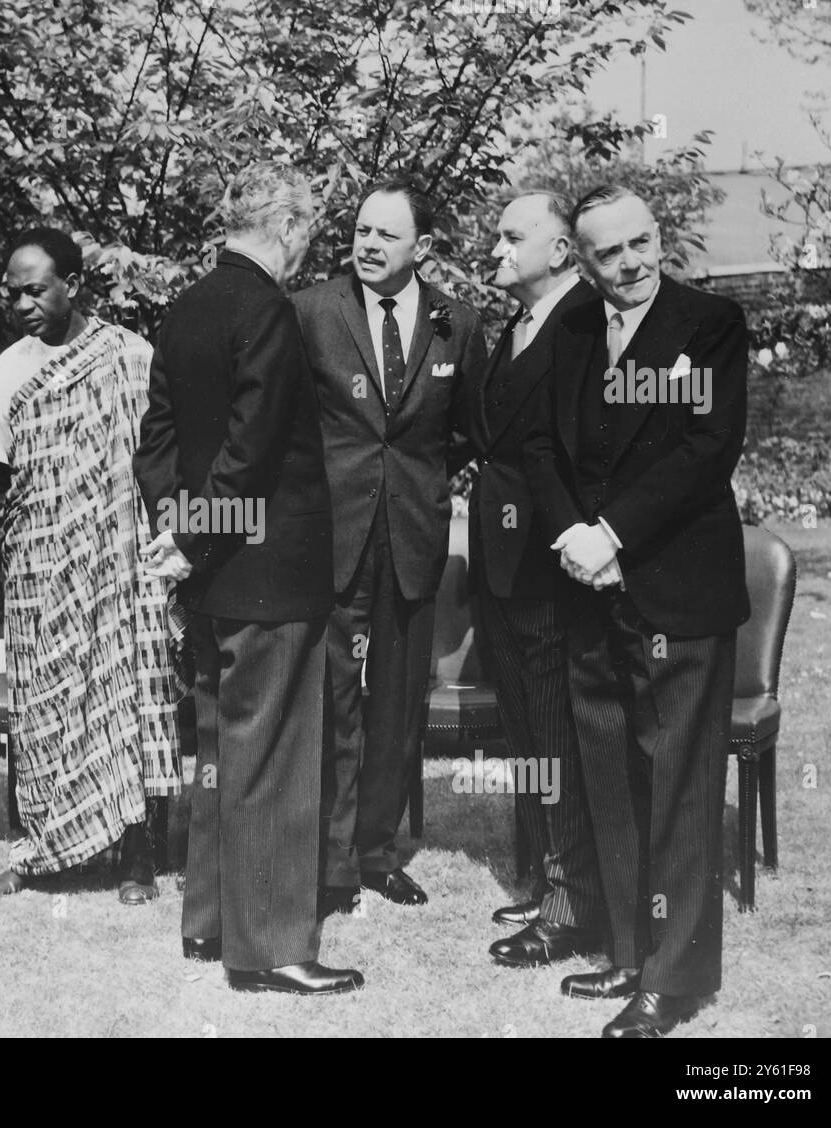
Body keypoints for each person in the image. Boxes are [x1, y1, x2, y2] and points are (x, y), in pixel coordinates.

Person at [524, 185, 749, 1037]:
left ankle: (675, 978)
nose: (630, 262)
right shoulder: (574, 328)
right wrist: (577, 539)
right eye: (608, 252)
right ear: (581, 260)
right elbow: (540, 446)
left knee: (679, 781)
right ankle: (627, 949)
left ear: (658, 239)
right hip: (589, 588)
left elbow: (704, 451)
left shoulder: (709, 324)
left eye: (641, 243)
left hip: (677, 589)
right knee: (610, 771)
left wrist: (613, 533)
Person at [135, 159, 362, 995]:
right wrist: (195, 537)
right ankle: (269, 949)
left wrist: (176, 531)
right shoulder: (268, 308)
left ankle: (210, 921)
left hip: (211, 575)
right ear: (291, 227)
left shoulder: (186, 306)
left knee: (220, 748)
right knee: (272, 756)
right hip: (268, 570)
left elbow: (156, 435)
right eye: (309, 234)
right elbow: (255, 445)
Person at [0, 227, 183, 902]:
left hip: (121, 559)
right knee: (44, 700)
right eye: (14, 294)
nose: (23, 304)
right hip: (43, 567)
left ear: (74, 285)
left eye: (36, 289)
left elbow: (163, 455)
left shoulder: (132, 356)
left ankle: (136, 858)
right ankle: (42, 853)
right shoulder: (9, 370)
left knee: (130, 696)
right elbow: (0, 473)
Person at [293, 179, 486, 916]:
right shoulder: (311, 311)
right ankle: (329, 861)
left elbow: (468, 427)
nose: (367, 245)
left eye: (386, 235)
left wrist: (421, 481)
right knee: (331, 697)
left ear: (422, 248)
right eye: (361, 231)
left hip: (413, 535)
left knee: (399, 703)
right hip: (331, 537)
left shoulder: (455, 323)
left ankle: (376, 851)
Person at [466, 191, 603, 967]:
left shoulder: (584, 325)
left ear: (558, 251)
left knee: (556, 733)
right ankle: (548, 874)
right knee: (529, 733)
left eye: (513, 238)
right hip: (501, 561)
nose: (497, 250)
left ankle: (571, 902)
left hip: (551, 564)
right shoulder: (518, 326)